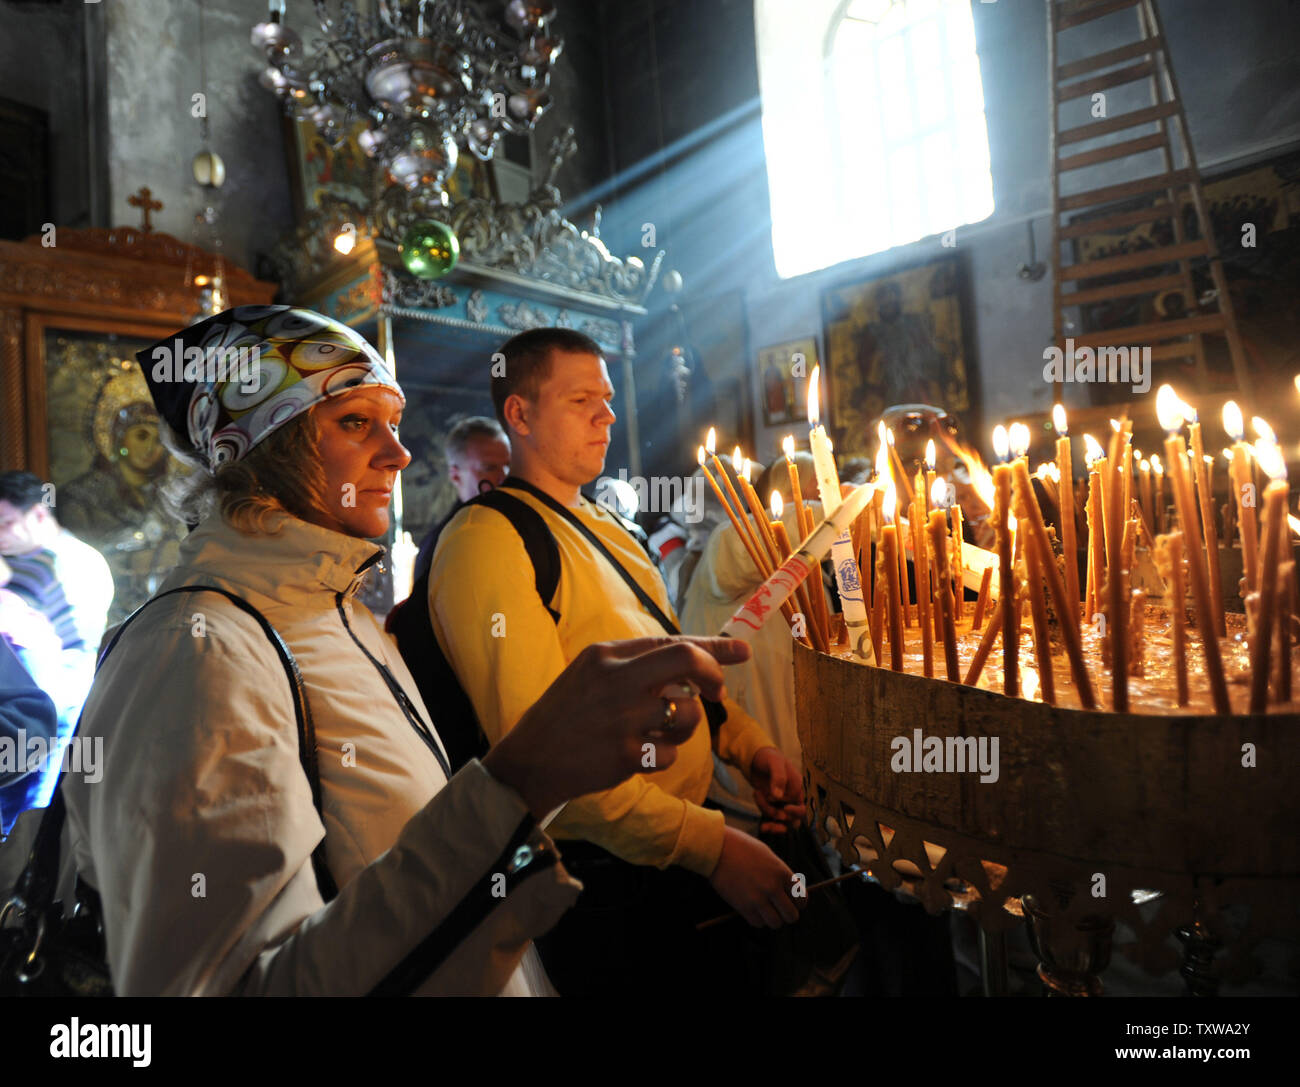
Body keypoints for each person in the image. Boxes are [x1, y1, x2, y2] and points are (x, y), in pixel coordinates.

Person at [53, 305, 750, 997]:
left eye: (392, 420)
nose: (399, 450)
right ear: (263, 446)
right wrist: (517, 782)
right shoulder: (200, 652)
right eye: (355, 422)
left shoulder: (340, 615)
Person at [428, 327, 807, 995]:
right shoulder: (487, 539)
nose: (607, 414)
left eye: (606, 397)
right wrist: (711, 845)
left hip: (673, 856)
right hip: (596, 878)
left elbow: (674, 663)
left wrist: (751, 748)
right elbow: (544, 763)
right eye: (581, 400)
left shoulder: (610, 531)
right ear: (519, 414)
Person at [0, 472, 113, 731]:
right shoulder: (18, 556)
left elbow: (79, 649)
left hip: (50, 712)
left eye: (5, 522)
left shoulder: (75, 562)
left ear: (39, 515)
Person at [412, 415, 510, 583]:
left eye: (509, 465)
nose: (505, 477)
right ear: (455, 475)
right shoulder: (441, 546)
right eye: (489, 468)